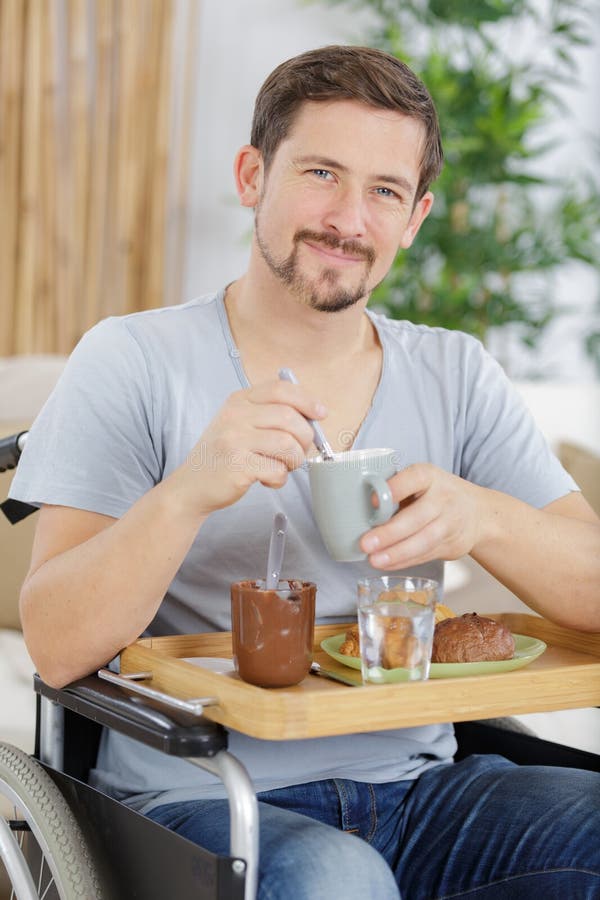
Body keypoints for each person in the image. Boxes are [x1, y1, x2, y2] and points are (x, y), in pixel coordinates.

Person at [10, 44, 600, 899]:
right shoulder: (133, 359)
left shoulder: (456, 373)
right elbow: (58, 643)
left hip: (422, 789)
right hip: (204, 794)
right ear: (253, 175)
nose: (349, 219)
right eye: (321, 173)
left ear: (417, 217)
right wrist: (189, 490)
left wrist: (487, 519)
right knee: (336, 878)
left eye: (385, 192)